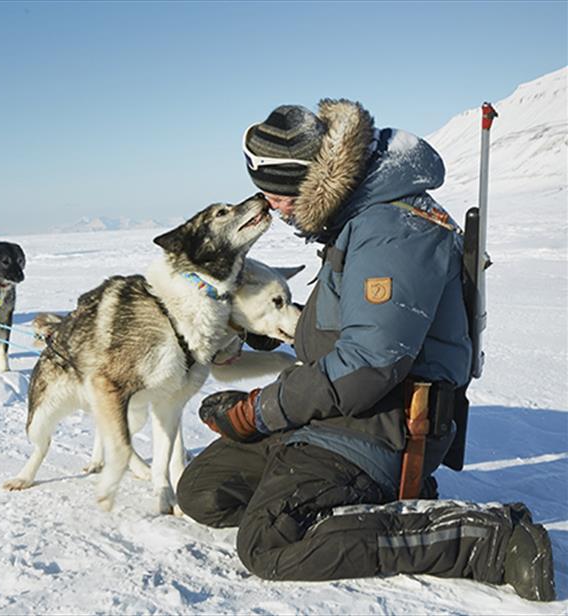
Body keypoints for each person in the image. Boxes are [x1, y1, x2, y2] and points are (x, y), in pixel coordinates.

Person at [175, 100, 556, 601]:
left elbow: (369, 364)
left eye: (277, 194)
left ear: (312, 180)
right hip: (334, 418)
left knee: (270, 540)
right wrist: (258, 340)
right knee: (204, 490)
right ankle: (348, 506)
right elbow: (336, 333)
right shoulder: (359, 220)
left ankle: (482, 539)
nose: (272, 207)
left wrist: (261, 410)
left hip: (381, 428)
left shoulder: (393, 231)